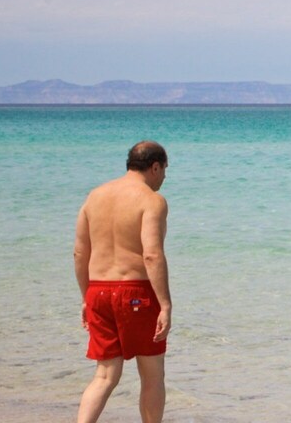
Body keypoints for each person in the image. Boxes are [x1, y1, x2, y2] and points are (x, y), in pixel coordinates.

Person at [75, 141, 173, 423]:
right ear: (155, 167)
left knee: (105, 375)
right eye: (165, 170)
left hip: (98, 290)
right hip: (136, 292)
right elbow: (151, 255)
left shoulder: (94, 196)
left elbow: (80, 252)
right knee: (152, 374)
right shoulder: (151, 200)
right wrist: (165, 304)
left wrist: (86, 296)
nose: (164, 178)